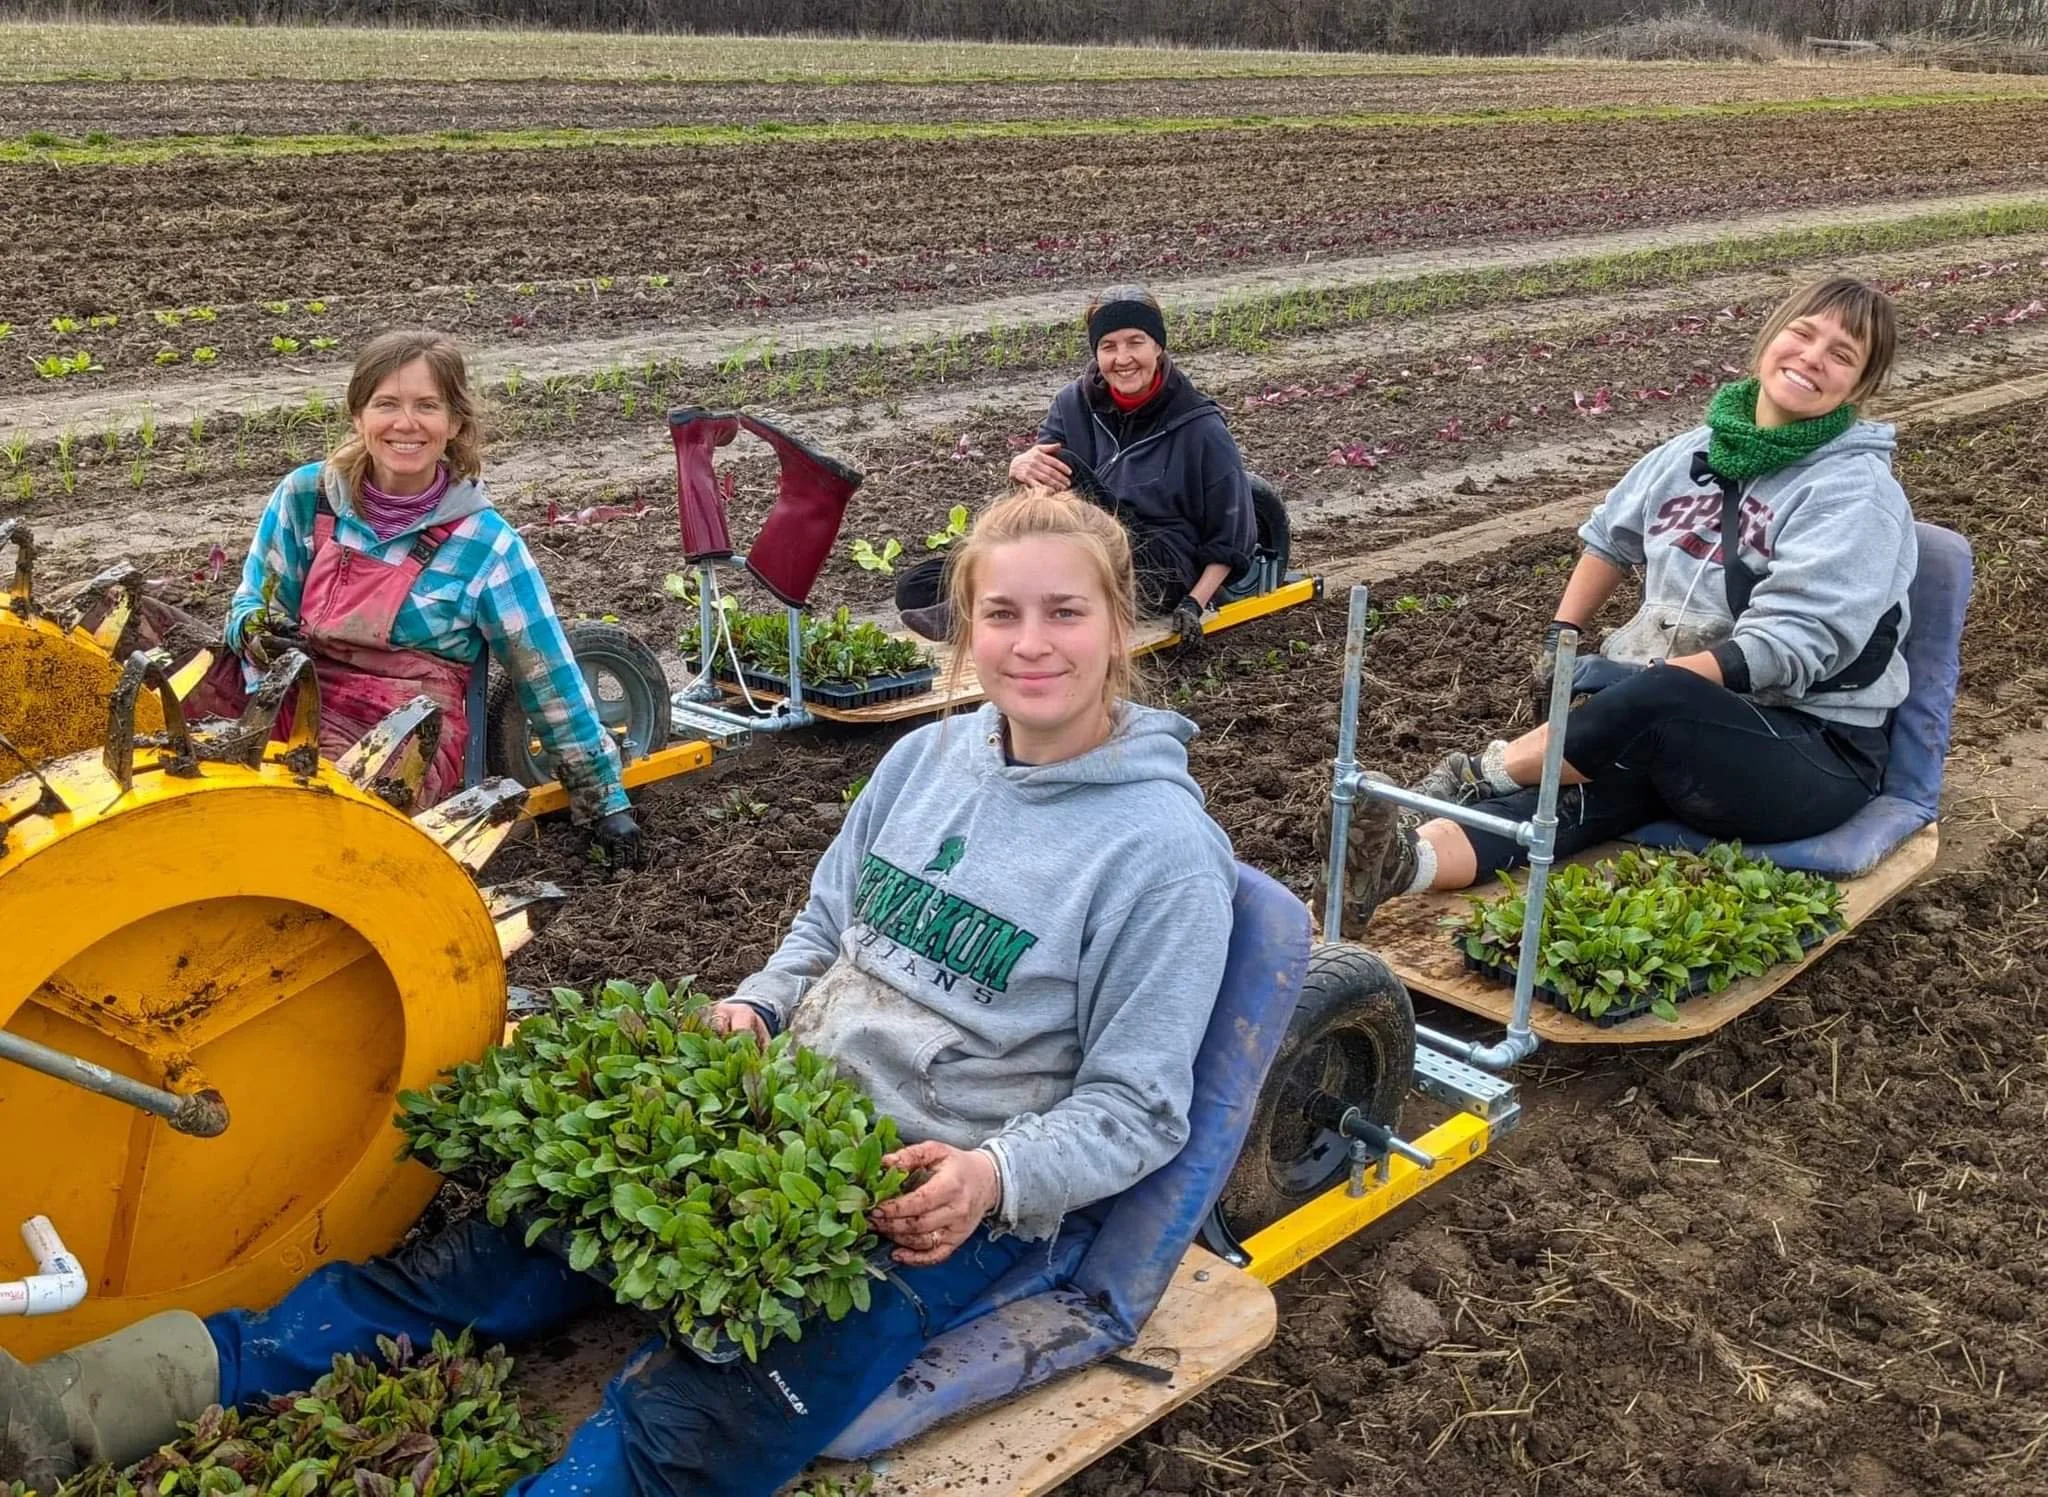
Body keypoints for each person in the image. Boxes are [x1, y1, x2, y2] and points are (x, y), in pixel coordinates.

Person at [0, 490, 1237, 1497]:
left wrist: (991, 1181)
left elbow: (1136, 1113)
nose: (1031, 644)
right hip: (774, 1125)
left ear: (1116, 625)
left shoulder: (1160, 857)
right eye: (1003, 613)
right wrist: (755, 1008)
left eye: (1064, 614)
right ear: (963, 627)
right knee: (471, 1273)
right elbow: (822, 928)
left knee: (691, 1425)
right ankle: (76, 1406)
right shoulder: (925, 759)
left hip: (930, 1202)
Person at [1332, 277, 1916, 918]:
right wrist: (1563, 635)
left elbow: (1797, 642)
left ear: (1858, 388)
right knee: (1571, 800)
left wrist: (1641, 690)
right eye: (1804, 334)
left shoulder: (1854, 492)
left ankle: (1477, 772)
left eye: (1842, 354)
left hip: (1809, 752)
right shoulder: (1689, 453)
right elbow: (1610, 538)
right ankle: (1402, 864)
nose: (1813, 357)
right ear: (1769, 340)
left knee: (1652, 705)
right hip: (1681, 730)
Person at [195, 329, 639, 860]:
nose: (406, 423)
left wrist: (603, 800)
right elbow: (252, 603)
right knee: (174, 721)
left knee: (315, 818)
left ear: (454, 424)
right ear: (358, 415)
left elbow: (546, 675)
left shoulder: (486, 544)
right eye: (387, 404)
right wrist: (252, 628)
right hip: (296, 691)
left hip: (405, 727)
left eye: (427, 406)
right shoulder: (306, 497)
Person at [895, 285, 1255, 644]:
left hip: (1154, 565)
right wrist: (1019, 466)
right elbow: (1037, 489)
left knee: (1062, 463)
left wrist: (1193, 603)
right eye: (1108, 346)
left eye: (1136, 342)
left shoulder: (1200, 426)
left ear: (1158, 346)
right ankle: (994, 602)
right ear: (1096, 352)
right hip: (1072, 546)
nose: (1123, 358)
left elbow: (1232, 537)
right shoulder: (1072, 404)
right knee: (917, 586)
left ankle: (986, 612)